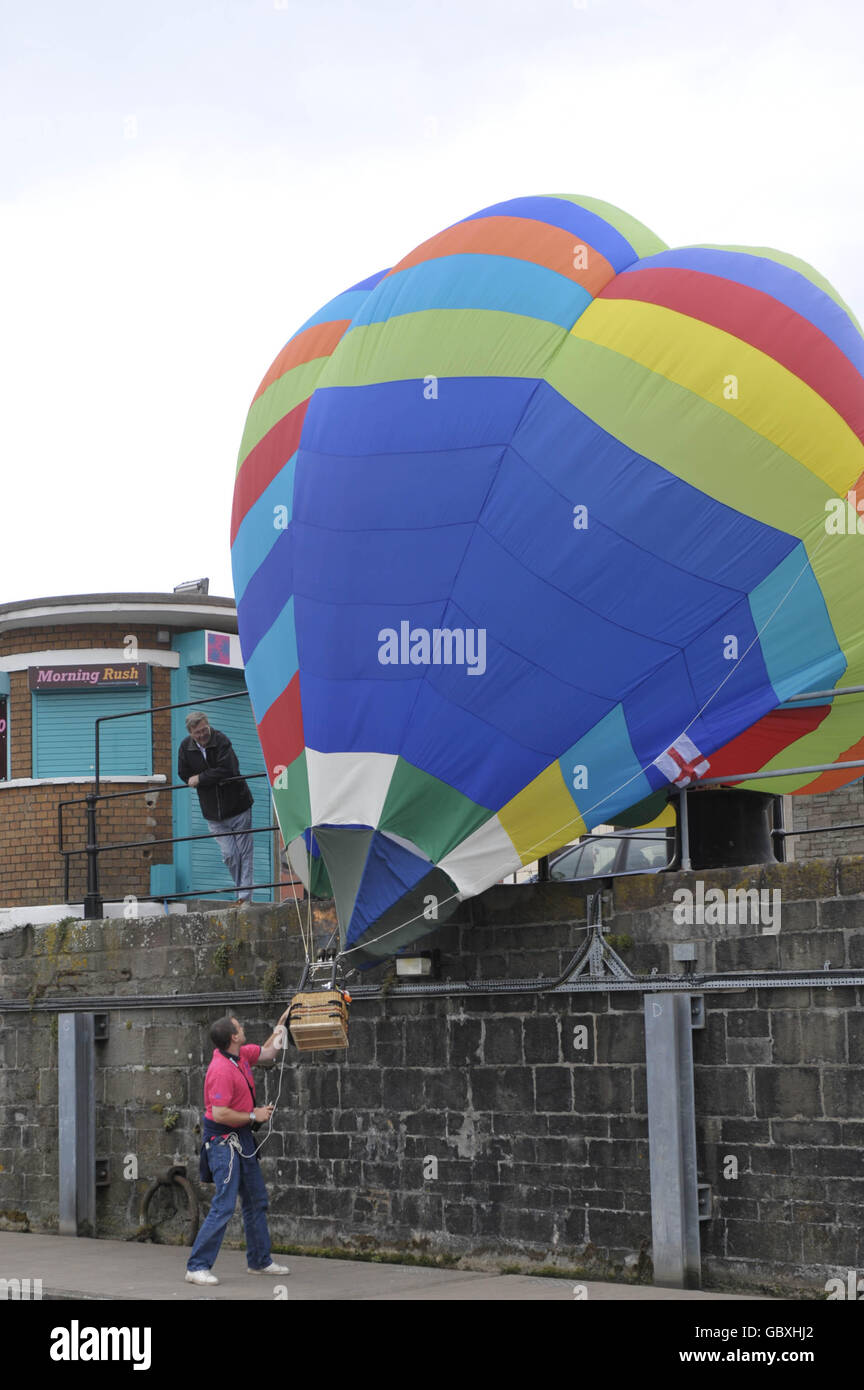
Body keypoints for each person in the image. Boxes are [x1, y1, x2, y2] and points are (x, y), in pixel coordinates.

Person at [185, 1011, 291, 1285]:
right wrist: (255, 1115)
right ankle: (196, 1266)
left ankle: (259, 1261)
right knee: (224, 1204)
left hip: (242, 1138)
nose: (243, 1028)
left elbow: (268, 1053)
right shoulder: (219, 1070)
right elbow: (219, 1114)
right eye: (239, 1027)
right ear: (233, 1036)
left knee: (256, 1200)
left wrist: (283, 1023)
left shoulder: (241, 1054)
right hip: (223, 1142)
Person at [178, 711, 255, 906]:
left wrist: (202, 778)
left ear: (208, 725)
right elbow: (184, 774)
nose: (203, 735)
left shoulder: (221, 740)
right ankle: (241, 890)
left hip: (238, 805)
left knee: (245, 852)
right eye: (198, 732)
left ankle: (243, 896)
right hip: (212, 812)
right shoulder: (185, 748)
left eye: (205, 730)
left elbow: (229, 769)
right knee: (230, 854)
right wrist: (207, 778)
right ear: (190, 733)